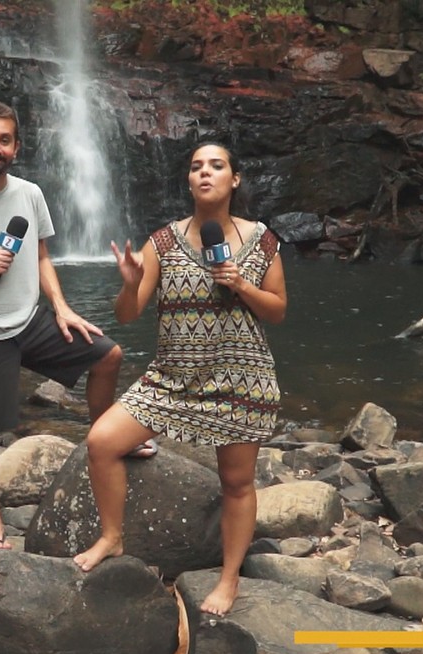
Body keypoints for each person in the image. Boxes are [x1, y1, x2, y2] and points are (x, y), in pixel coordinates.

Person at [0, 100, 147, 551]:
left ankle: (107, 441)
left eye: (3, 139)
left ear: (16, 146)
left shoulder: (29, 193)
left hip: (28, 320)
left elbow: (39, 256)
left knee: (108, 355)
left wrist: (61, 306)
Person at [72, 141, 288, 617]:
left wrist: (242, 284)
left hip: (240, 379)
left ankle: (228, 579)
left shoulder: (262, 240)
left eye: (216, 165)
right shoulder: (162, 241)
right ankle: (112, 536)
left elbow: (277, 311)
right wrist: (129, 284)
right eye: (196, 167)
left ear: (234, 180)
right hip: (171, 378)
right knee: (102, 441)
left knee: (236, 483)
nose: (204, 173)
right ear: (188, 181)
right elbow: (127, 316)